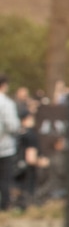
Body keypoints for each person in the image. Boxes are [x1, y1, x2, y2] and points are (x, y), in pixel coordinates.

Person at [14, 110, 46, 210]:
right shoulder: (31, 134)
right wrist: (41, 162)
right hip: (27, 170)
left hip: (15, 168)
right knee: (28, 194)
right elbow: (30, 157)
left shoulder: (18, 133)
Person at [0, 74, 19, 212]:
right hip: (4, 147)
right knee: (5, 178)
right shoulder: (6, 103)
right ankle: (5, 206)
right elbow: (12, 125)